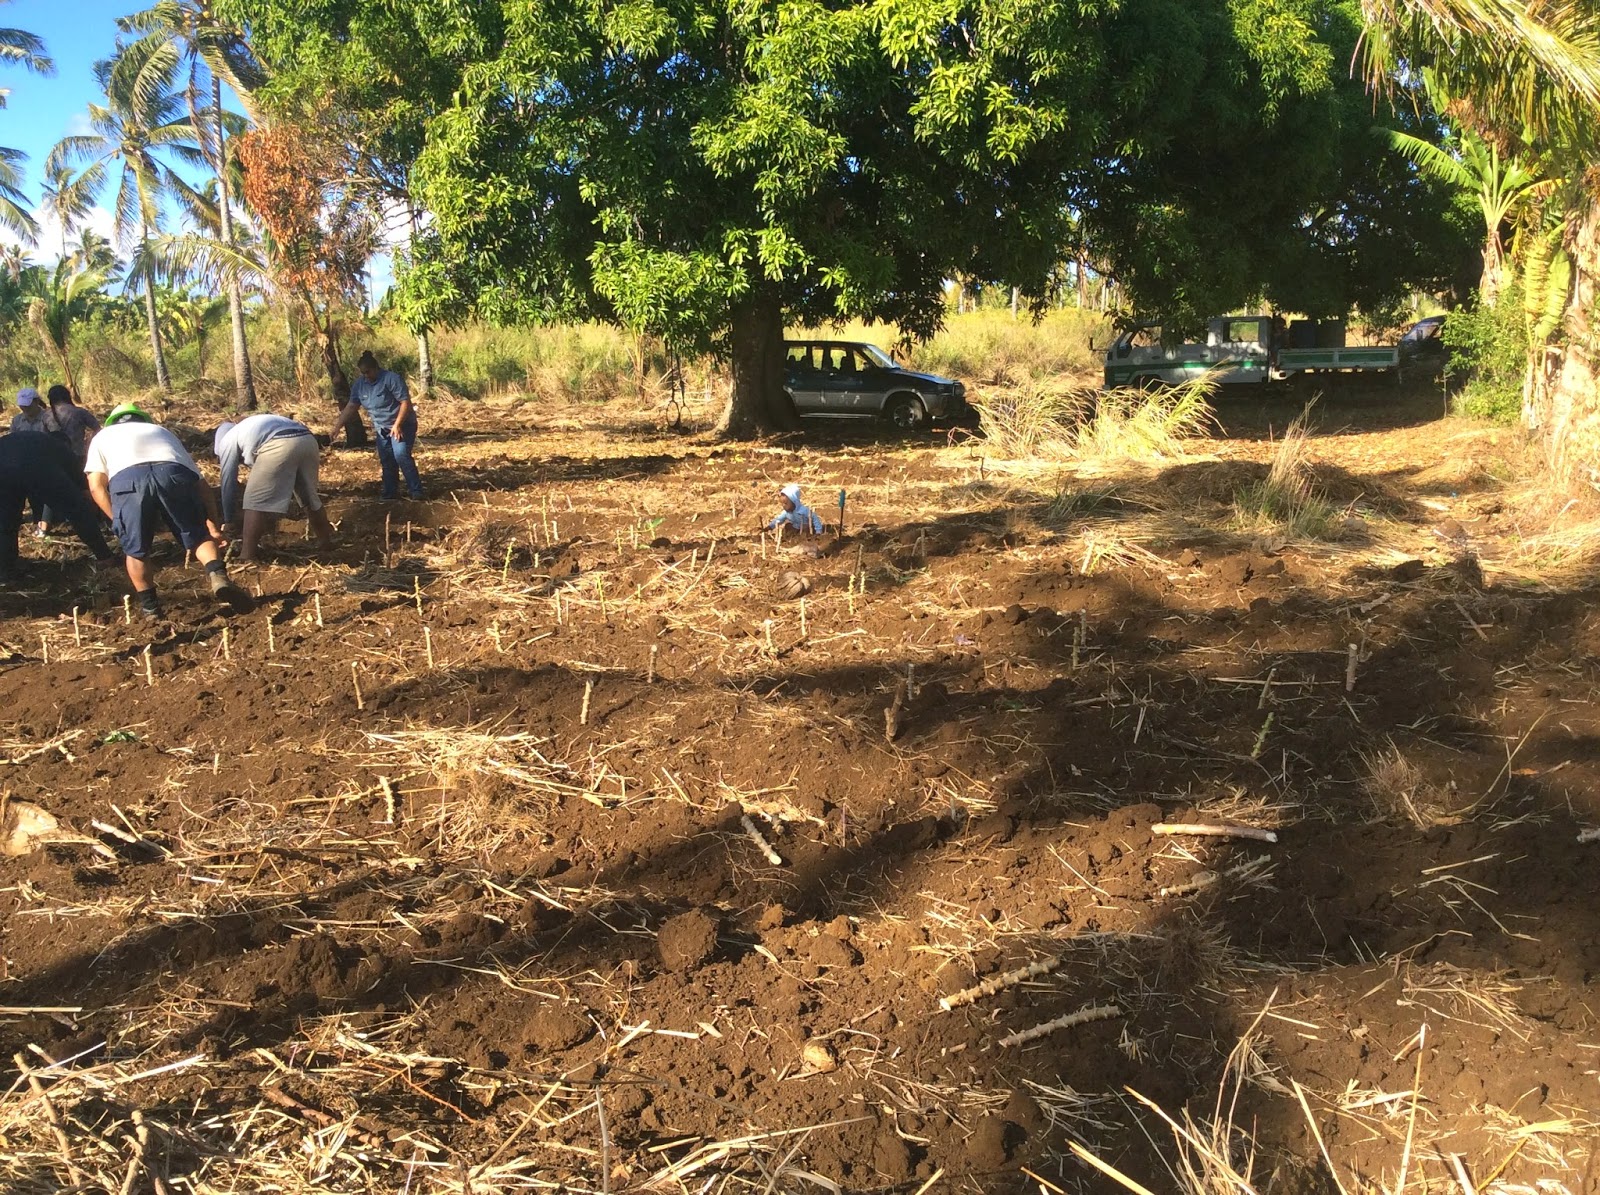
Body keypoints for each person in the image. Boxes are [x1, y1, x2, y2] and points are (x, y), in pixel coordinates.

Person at [84, 402, 253, 619]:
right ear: (143, 419)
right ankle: (218, 576)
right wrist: (212, 525)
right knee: (199, 537)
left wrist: (118, 521)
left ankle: (151, 609)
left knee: (136, 551)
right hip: (172, 474)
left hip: (128, 481)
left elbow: (96, 486)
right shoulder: (161, 431)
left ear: (112, 422)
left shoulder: (102, 436)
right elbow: (201, 486)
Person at [0, 431, 118, 586]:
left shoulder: (31, 439)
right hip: (37, 468)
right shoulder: (65, 453)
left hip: (4, 468)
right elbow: (87, 493)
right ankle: (105, 557)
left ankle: (6, 568)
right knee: (77, 510)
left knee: (6, 520)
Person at [214, 414, 336, 562]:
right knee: (310, 498)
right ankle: (325, 542)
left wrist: (228, 520)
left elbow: (228, 482)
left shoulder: (226, 441)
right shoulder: (252, 425)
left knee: (254, 502)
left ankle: (246, 556)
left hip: (279, 443)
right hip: (307, 440)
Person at [332, 350, 424, 500]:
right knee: (387, 459)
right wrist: (338, 426)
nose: (366, 376)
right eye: (363, 373)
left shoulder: (391, 379)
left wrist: (397, 424)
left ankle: (416, 491)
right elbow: (351, 406)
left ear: (376, 368)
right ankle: (390, 493)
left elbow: (405, 403)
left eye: (368, 372)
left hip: (402, 424)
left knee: (401, 455)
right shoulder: (360, 385)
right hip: (382, 428)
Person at [11, 387, 68, 536]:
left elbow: (57, 438)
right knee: (31, 493)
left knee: (47, 491)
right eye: (22, 405)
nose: (24, 408)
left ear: (36, 402)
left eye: (28, 405)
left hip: (45, 460)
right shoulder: (17, 420)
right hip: (24, 462)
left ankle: (47, 521)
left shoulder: (48, 417)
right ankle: (38, 519)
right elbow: (13, 440)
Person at [47, 385, 100, 463]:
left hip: (55, 458)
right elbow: (98, 429)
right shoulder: (80, 412)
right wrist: (89, 442)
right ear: (68, 396)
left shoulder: (46, 416)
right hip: (78, 455)